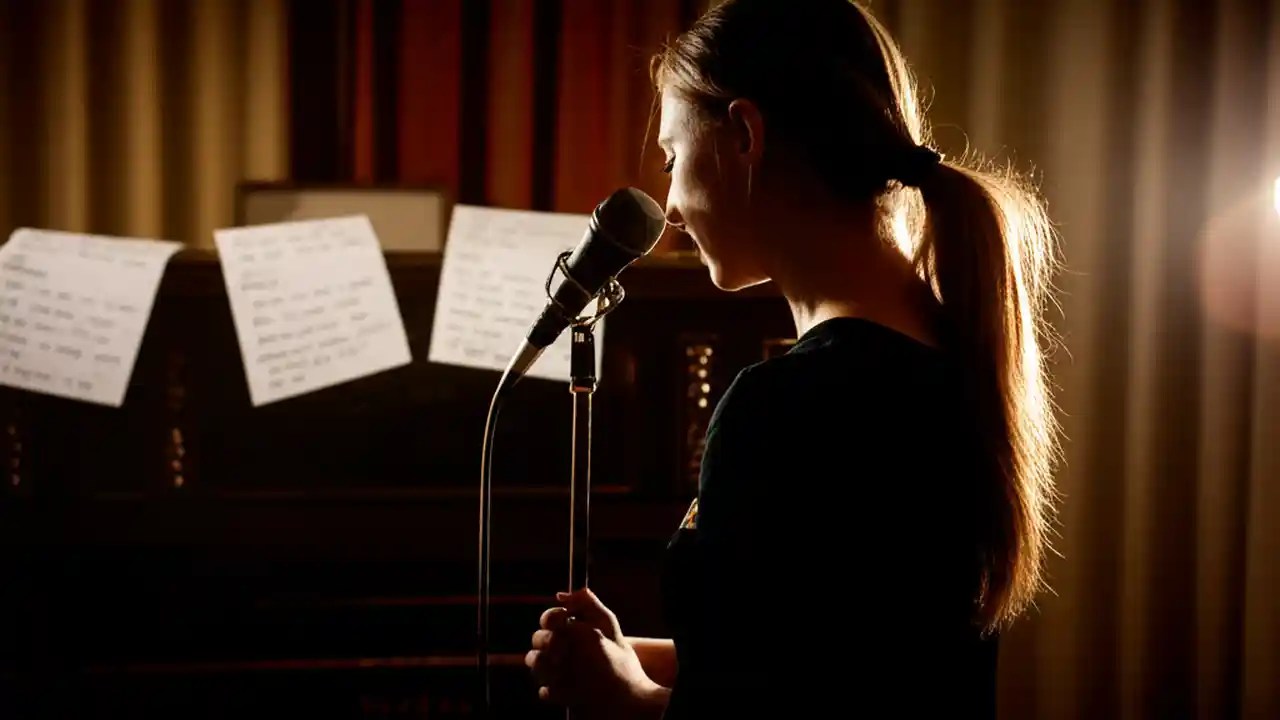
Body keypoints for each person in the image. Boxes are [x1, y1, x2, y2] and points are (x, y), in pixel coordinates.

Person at [526, 0, 1062, 717]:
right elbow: (830, 657)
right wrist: (638, 656)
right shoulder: (952, 347)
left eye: (672, 156)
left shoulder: (788, 404)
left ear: (745, 135)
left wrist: (626, 697)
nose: (673, 209)